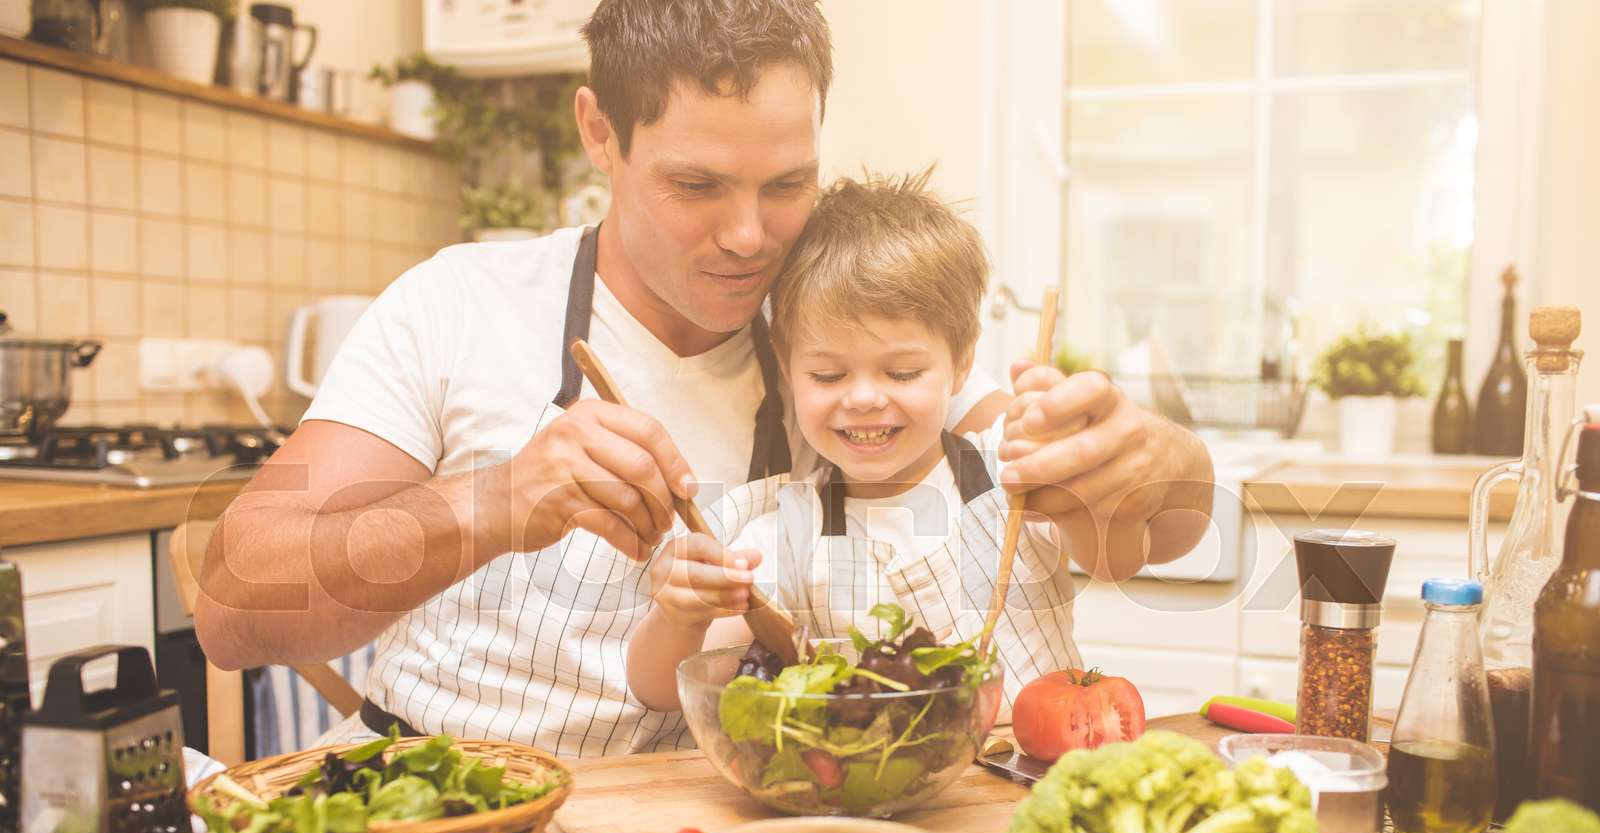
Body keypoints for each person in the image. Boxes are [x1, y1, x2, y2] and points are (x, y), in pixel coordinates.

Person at [194, 0, 1213, 759]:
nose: (746, 237)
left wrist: (1149, 455)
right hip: (439, 788)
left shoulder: (839, 334)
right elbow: (235, 610)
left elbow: (1152, 520)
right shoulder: (459, 303)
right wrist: (496, 501)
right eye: (695, 185)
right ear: (601, 133)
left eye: (786, 185)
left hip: (692, 815)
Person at [627, 172, 1079, 714]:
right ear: (788, 367)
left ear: (961, 364)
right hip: (881, 794)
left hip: (1048, 783)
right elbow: (661, 692)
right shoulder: (786, 533)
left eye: (904, 372)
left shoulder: (1016, 469)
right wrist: (681, 616)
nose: (864, 398)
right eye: (828, 376)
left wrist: (1080, 451)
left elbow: (1120, 552)